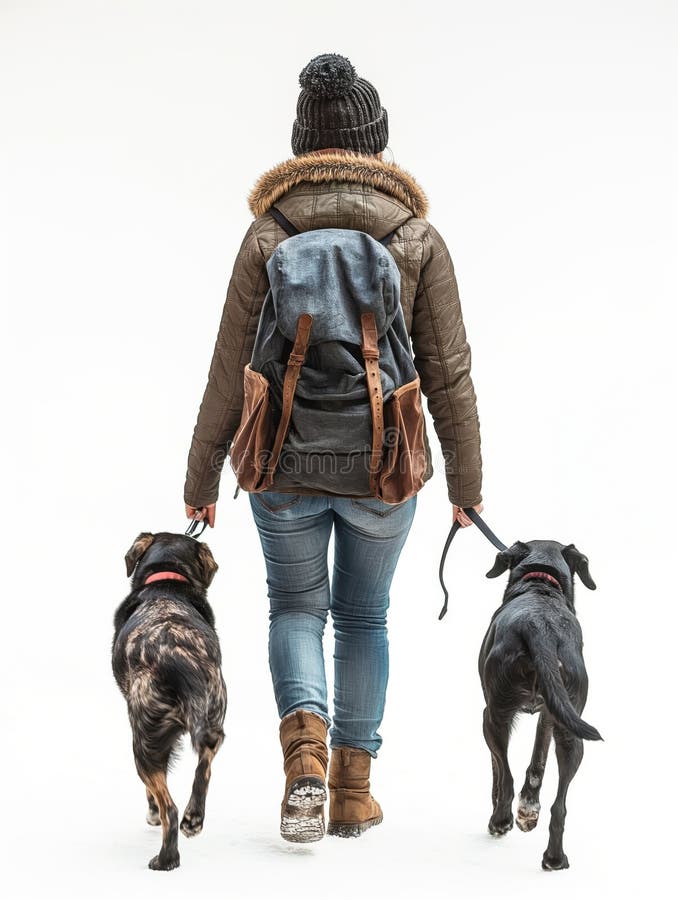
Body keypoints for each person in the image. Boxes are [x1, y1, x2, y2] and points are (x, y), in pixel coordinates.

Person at [183, 52, 484, 842]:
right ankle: (352, 791)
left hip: (281, 463)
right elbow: (448, 373)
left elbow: (228, 368)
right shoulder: (416, 236)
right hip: (386, 471)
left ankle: (304, 757)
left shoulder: (267, 234)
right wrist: (468, 485)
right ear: (376, 145)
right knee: (364, 615)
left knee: (294, 607)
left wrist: (200, 476)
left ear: (302, 145)